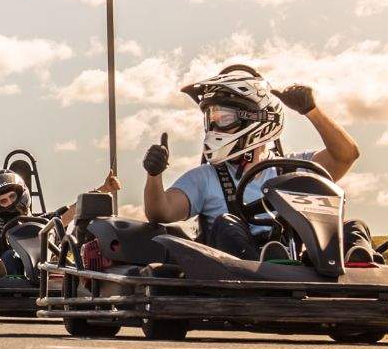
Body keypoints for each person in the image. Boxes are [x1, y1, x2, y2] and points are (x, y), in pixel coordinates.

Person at [138, 65, 368, 261]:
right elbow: (161, 212)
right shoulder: (205, 177)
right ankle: (267, 263)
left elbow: (345, 156)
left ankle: (363, 275)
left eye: (224, 117)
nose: (216, 126)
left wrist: (311, 111)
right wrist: (154, 175)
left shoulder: (294, 168)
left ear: (255, 118)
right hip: (238, 284)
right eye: (212, 118)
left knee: (354, 227)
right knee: (226, 225)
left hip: (296, 276)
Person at [0, 170, 119, 277]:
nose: (9, 202)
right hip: (12, 272)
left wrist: (104, 188)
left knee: (67, 250)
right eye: (3, 201)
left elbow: (76, 208)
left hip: (46, 265)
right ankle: (3, 273)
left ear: (22, 194)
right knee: (11, 256)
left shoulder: (45, 219)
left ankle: (68, 276)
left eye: (11, 197)